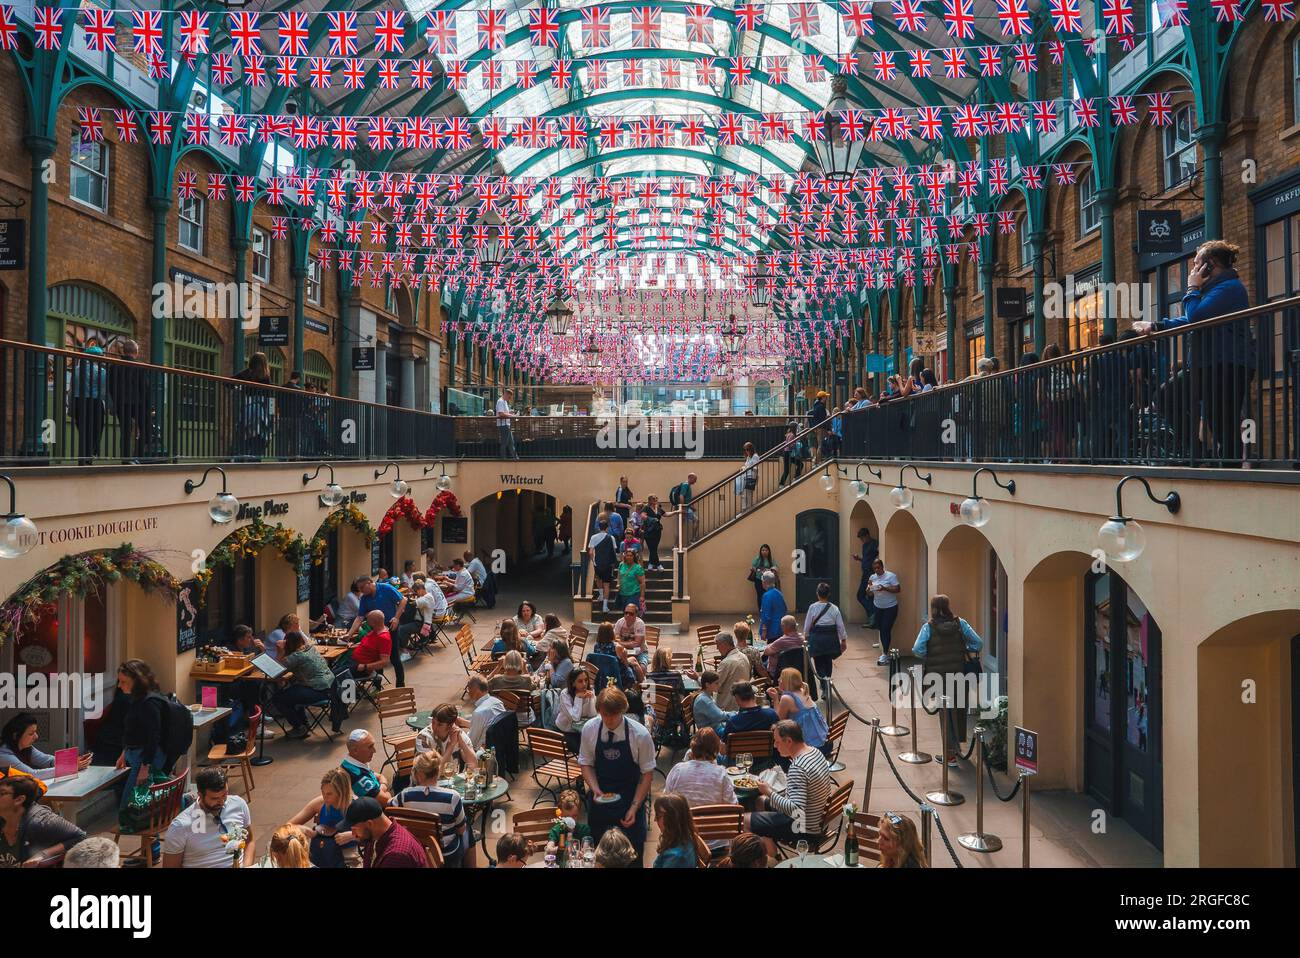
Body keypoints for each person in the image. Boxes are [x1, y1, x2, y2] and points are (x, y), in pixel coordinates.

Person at [579, 687, 656, 859]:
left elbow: (647, 775)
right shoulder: (590, 729)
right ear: (599, 711)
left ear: (623, 710)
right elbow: (586, 763)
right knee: (600, 854)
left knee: (632, 855)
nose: (609, 719)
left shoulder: (640, 735)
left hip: (630, 798)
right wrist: (595, 789)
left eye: (614, 714)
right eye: (604, 714)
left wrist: (634, 807)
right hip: (600, 800)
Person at [745, 720, 834, 860]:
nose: (775, 746)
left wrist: (769, 791)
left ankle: (766, 862)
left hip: (802, 829)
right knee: (760, 801)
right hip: (817, 821)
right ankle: (774, 857)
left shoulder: (798, 767)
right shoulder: (815, 752)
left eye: (777, 742)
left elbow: (795, 810)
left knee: (743, 820)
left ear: (789, 741)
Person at [912, 595, 984, 766]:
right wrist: (963, 649)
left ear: (933, 608)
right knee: (958, 711)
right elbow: (978, 643)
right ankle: (956, 748)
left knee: (945, 714)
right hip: (959, 673)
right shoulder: (960, 623)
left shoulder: (928, 627)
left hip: (938, 676)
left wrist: (930, 654)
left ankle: (950, 755)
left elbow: (917, 649)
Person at [393, 751, 473, 867]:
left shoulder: (404, 796)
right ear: (437, 772)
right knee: (467, 830)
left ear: (419, 775)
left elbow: (390, 807)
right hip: (447, 854)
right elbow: (461, 830)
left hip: (417, 850)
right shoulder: (452, 797)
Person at [162, 767, 254, 868]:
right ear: (200, 795)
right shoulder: (180, 826)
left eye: (224, 795)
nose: (222, 802)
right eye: (214, 798)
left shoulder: (238, 804)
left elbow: (249, 841)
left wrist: (247, 866)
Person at [113, 659, 171, 809]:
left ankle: (183, 802)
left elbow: (154, 736)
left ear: (136, 681)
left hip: (146, 759)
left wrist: (145, 767)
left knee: (129, 806)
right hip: (138, 757)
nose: (119, 686)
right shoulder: (137, 700)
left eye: (123, 682)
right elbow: (134, 731)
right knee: (144, 803)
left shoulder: (149, 703)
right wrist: (124, 753)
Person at [0, 770, 86, 867]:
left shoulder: (42, 821)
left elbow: (80, 837)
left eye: (2, 793)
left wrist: (43, 854)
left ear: (19, 800)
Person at [288, 767, 359, 868]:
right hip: (321, 853)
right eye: (323, 792)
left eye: (329, 794)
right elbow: (287, 826)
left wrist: (351, 835)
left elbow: (373, 834)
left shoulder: (356, 806)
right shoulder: (320, 803)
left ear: (342, 792)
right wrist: (301, 828)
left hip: (347, 856)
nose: (325, 797)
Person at [273, 631, 340, 738]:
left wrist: (280, 652)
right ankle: (304, 723)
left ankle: (299, 726)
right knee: (294, 691)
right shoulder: (311, 649)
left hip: (318, 691)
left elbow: (275, 671)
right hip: (331, 688)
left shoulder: (296, 657)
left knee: (278, 698)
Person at [347, 576, 407, 686]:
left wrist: (397, 617)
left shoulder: (385, 588)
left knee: (394, 657)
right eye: (359, 589)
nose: (360, 591)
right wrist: (349, 634)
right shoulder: (365, 598)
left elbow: (403, 600)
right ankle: (377, 685)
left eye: (361, 588)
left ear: (369, 583)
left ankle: (400, 684)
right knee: (376, 657)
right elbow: (359, 617)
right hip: (375, 628)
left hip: (390, 625)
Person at [344, 797, 428, 868]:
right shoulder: (376, 836)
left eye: (354, 829)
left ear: (369, 823)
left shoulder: (396, 856)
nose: (353, 834)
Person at [664, 728, 737, 807]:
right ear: (715, 749)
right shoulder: (721, 774)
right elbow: (733, 804)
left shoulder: (677, 770)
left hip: (683, 818)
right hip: (712, 818)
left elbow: (666, 797)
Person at [1, 713, 91, 775]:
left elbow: (48, 760)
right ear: (16, 735)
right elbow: (32, 774)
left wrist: (72, 761)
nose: (36, 737)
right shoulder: (3, 755)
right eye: (31, 734)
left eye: (35, 732)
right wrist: (69, 767)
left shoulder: (25, 748)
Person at [768, 668, 830, 756]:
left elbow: (779, 721)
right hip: (824, 740)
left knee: (777, 746)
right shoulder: (802, 690)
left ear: (786, 681)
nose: (778, 680)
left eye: (781, 678)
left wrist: (775, 699)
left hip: (812, 747)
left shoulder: (787, 698)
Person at [108, 338, 151, 463]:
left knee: (125, 431)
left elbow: (111, 387)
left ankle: (126, 459)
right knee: (146, 430)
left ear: (124, 351)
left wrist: (116, 400)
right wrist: (149, 406)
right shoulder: (140, 367)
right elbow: (145, 388)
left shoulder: (114, 367)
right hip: (139, 403)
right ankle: (138, 456)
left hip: (122, 403)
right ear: (136, 352)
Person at [70, 342, 108, 464]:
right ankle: (91, 454)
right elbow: (103, 391)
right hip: (94, 402)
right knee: (96, 430)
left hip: (78, 402)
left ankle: (83, 457)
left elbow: (71, 389)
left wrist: (70, 407)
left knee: (83, 431)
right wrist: (110, 406)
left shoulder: (76, 370)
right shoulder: (101, 371)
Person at [803, 581, 848, 682]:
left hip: (816, 639)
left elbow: (807, 625)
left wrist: (805, 637)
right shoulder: (834, 608)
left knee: (818, 662)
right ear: (828, 594)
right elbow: (840, 626)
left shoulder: (812, 607)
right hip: (831, 639)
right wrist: (843, 640)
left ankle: (824, 684)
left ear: (817, 593)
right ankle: (828, 681)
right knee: (828, 661)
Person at [415, 703, 479, 773]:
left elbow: (474, 765)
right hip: (427, 782)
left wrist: (462, 743)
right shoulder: (423, 738)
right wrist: (451, 746)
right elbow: (433, 773)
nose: (434, 727)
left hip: (451, 780)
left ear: (450, 725)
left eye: (440, 724)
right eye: (433, 722)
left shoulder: (457, 733)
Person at [233, 351, 273, 460]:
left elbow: (228, 383)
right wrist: (271, 413)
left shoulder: (246, 373)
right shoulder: (266, 376)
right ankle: (256, 458)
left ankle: (242, 456)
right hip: (262, 407)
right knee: (261, 433)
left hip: (248, 405)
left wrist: (239, 388)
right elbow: (269, 394)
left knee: (245, 431)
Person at [340, 730, 393, 804]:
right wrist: (385, 787)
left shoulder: (351, 764)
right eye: (370, 747)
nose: (374, 750)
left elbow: (380, 776)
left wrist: (381, 787)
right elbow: (387, 801)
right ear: (355, 750)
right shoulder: (357, 776)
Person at [555, 666, 599, 755]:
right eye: (580, 681)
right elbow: (574, 718)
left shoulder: (590, 690)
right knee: (584, 751)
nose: (584, 684)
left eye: (586, 680)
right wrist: (578, 698)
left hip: (582, 729)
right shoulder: (565, 694)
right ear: (573, 683)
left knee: (596, 747)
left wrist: (590, 699)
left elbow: (593, 714)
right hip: (567, 731)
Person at [867, 558, 901, 665]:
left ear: (882, 567)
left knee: (885, 629)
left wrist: (884, 588)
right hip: (878, 606)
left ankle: (885, 654)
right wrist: (869, 588)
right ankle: (884, 649)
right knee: (881, 628)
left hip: (890, 607)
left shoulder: (890, 576)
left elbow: (898, 589)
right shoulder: (872, 577)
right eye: (875, 568)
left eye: (878, 568)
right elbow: (869, 594)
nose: (877, 570)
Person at [652, 793, 699, 868]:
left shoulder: (675, 857)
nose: (655, 820)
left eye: (658, 815)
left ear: (672, 819)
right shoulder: (685, 837)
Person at [347, 610, 392, 684]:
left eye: (368, 620)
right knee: (332, 674)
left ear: (374, 622)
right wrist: (354, 645)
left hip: (360, 667)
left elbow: (385, 662)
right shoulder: (375, 631)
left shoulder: (383, 638)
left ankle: (351, 695)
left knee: (336, 678)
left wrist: (365, 666)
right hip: (353, 661)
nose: (365, 622)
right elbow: (367, 644)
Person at [690, 671, 737, 739]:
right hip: (709, 733)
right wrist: (737, 714)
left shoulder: (706, 696)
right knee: (737, 733)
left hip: (714, 728)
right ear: (707, 685)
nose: (719, 685)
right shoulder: (704, 700)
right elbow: (720, 716)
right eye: (716, 683)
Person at [465, 675, 507, 749]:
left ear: (476, 691)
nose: (468, 692)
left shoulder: (478, 713)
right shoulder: (497, 702)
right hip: (503, 743)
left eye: (468, 689)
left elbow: (471, 741)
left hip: (485, 751)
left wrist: (461, 733)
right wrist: (463, 722)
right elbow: (485, 723)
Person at [713, 632, 751, 710]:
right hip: (743, 702)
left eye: (718, 645)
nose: (717, 648)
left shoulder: (726, 662)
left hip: (727, 706)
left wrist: (697, 678)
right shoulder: (744, 656)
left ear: (724, 644)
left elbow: (714, 684)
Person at [587, 517, 619, 614]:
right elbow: (614, 550)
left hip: (598, 563)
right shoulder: (611, 537)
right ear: (607, 528)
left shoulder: (593, 537)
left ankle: (600, 595)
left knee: (598, 578)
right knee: (607, 585)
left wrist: (593, 561)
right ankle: (605, 606)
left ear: (598, 527)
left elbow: (591, 552)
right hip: (608, 564)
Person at [761, 615, 805, 681]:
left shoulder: (782, 641)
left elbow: (766, 652)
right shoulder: (802, 638)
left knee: (759, 666)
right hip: (797, 668)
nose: (781, 627)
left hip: (778, 671)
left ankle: (768, 684)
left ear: (785, 627)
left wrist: (770, 646)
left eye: (782, 626)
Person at [851, 527, 880, 627]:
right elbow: (866, 560)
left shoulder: (875, 544)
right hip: (865, 574)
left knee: (861, 595)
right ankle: (873, 619)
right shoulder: (864, 546)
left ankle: (873, 615)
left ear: (867, 535)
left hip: (871, 575)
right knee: (867, 596)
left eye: (862, 538)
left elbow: (875, 559)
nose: (862, 540)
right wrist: (859, 558)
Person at [613, 603, 649, 669]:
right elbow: (614, 639)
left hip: (640, 652)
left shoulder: (639, 623)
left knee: (642, 667)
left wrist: (621, 643)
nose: (627, 615)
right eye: (626, 613)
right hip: (623, 651)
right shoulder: (620, 622)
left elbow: (637, 643)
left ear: (636, 615)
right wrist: (626, 644)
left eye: (631, 614)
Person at [668, 472, 698, 544]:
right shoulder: (686, 485)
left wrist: (690, 507)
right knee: (696, 520)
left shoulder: (686, 485)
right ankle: (693, 539)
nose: (695, 481)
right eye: (695, 479)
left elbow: (686, 498)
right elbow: (681, 496)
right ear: (690, 477)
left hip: (684, 508)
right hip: (684, 509)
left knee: (680, 528)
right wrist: (683, 508)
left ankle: (675, 545)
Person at [758, 570, 787, 644]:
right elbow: (785, 609)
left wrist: (764, 630)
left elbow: (766, 615)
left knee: (771, 651)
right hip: (780, 628)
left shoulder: (767, 595)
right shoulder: (779, 593)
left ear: (764, 582)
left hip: (772, 629)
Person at [749, 544, 779, 610]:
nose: (764, 552)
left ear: (769, 551)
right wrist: (754, 569)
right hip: (759, 580)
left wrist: (771, 569)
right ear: (760, 551)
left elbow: (776, 567)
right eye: (763, 550)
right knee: (760, 595)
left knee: (768, 595)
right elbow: (752, 567)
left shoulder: (771, 559)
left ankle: (768, 609)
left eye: (766, 550)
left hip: (768, 581)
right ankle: (761, 610)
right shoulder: (757, 559)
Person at [496, 387, 520, 460]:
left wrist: (510, 413)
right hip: (503, 425)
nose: (509, 399)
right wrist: (512, 415)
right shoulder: (500, 401)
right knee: (505, 443)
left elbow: (504, 413)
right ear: (506, 394)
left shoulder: (504, 402)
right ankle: (504, 459)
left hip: (506, 424)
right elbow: (501, 414)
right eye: (509, 397)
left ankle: (515, 458)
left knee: (510, 443)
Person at [807, 390, 830, 464]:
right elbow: (822, 418)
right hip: (820, 427)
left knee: (818, 444)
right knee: (820, 444)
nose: (826, 398)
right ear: (822, 398)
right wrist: (827, 428)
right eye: (825, 397)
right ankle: (817, 460)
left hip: (816, 427)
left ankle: (817, 459)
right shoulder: (821, 407)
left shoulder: (816, 406)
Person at [739, 441, 760, 512]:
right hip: (746, 476)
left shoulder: (755, 456)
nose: (746, 451)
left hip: (751, 477)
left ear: (751, 449)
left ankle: (748, 509)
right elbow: (746, 465)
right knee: (744, 493)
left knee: (748, 494)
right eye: (745, 450)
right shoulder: (748, 457)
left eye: (747, 449)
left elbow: (755, 468)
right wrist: (743, 468)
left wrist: (747, 468)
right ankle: (744, 509)